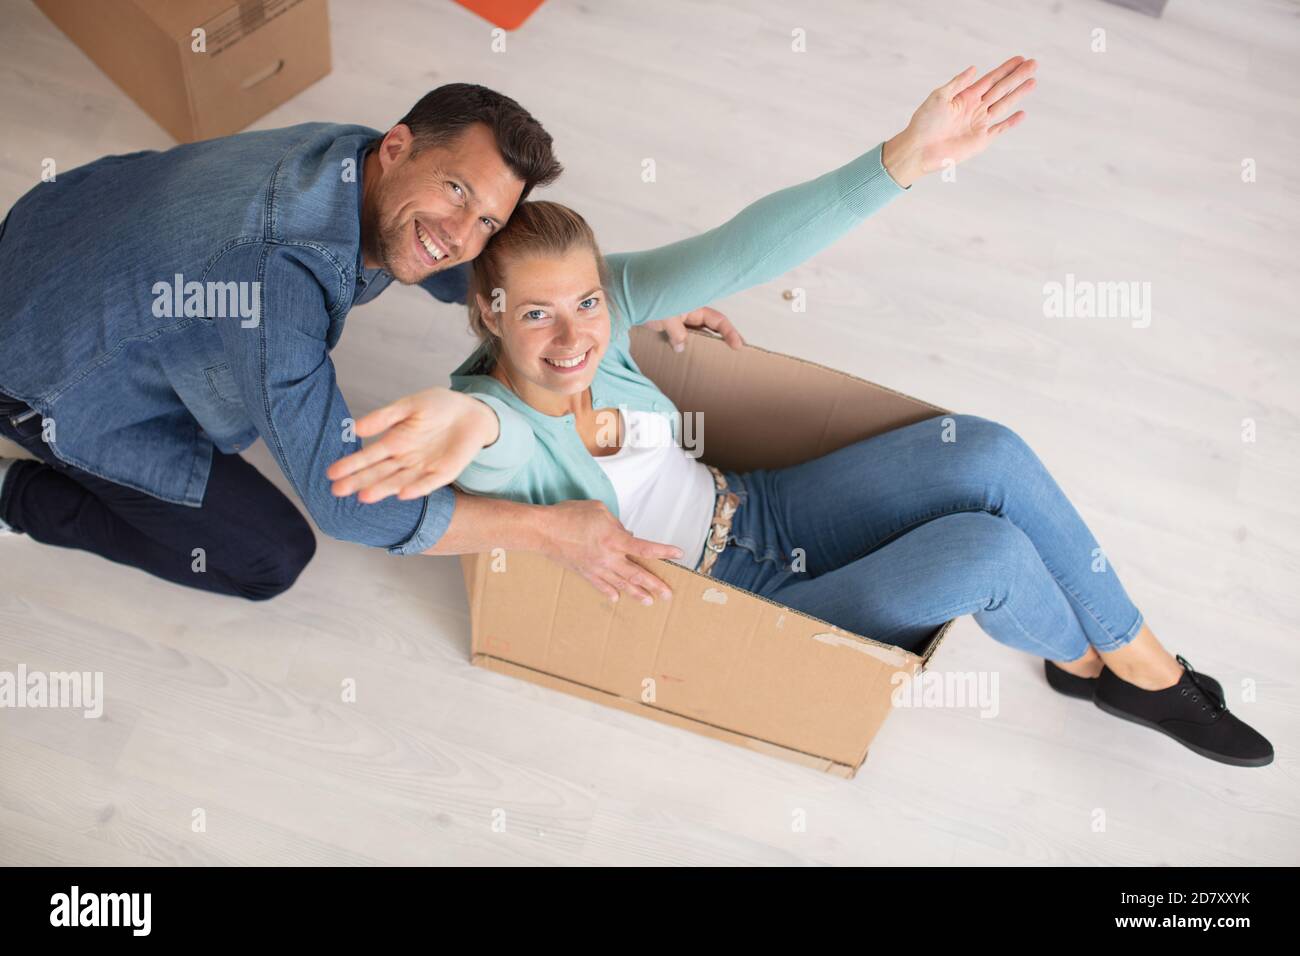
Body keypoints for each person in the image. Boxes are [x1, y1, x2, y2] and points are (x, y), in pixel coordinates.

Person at [328, 60, 1272, 767]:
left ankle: (1136, 663)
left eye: (587, 304)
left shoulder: (603, 320)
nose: (573, 337)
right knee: (991, 557)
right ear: (488, 312)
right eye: (535, 313)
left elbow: (740, 250)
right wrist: (460, 419)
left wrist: (903, 160)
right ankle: (1099, 668)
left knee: (986, 451)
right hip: (739, 606)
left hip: (761, 508)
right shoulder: (487, 422)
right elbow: (486, 436)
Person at [0, 83, 709, 600]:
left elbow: (448, 255)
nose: (463, 237)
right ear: (399, 147)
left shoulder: (360, 159)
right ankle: (16, 493)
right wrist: (550, 532)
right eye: (458, 191)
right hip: (49, 377)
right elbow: (346, 502)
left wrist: (600, 304)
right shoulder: (272, 272)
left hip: (52, 228)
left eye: (488, 221)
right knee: (269, 558)